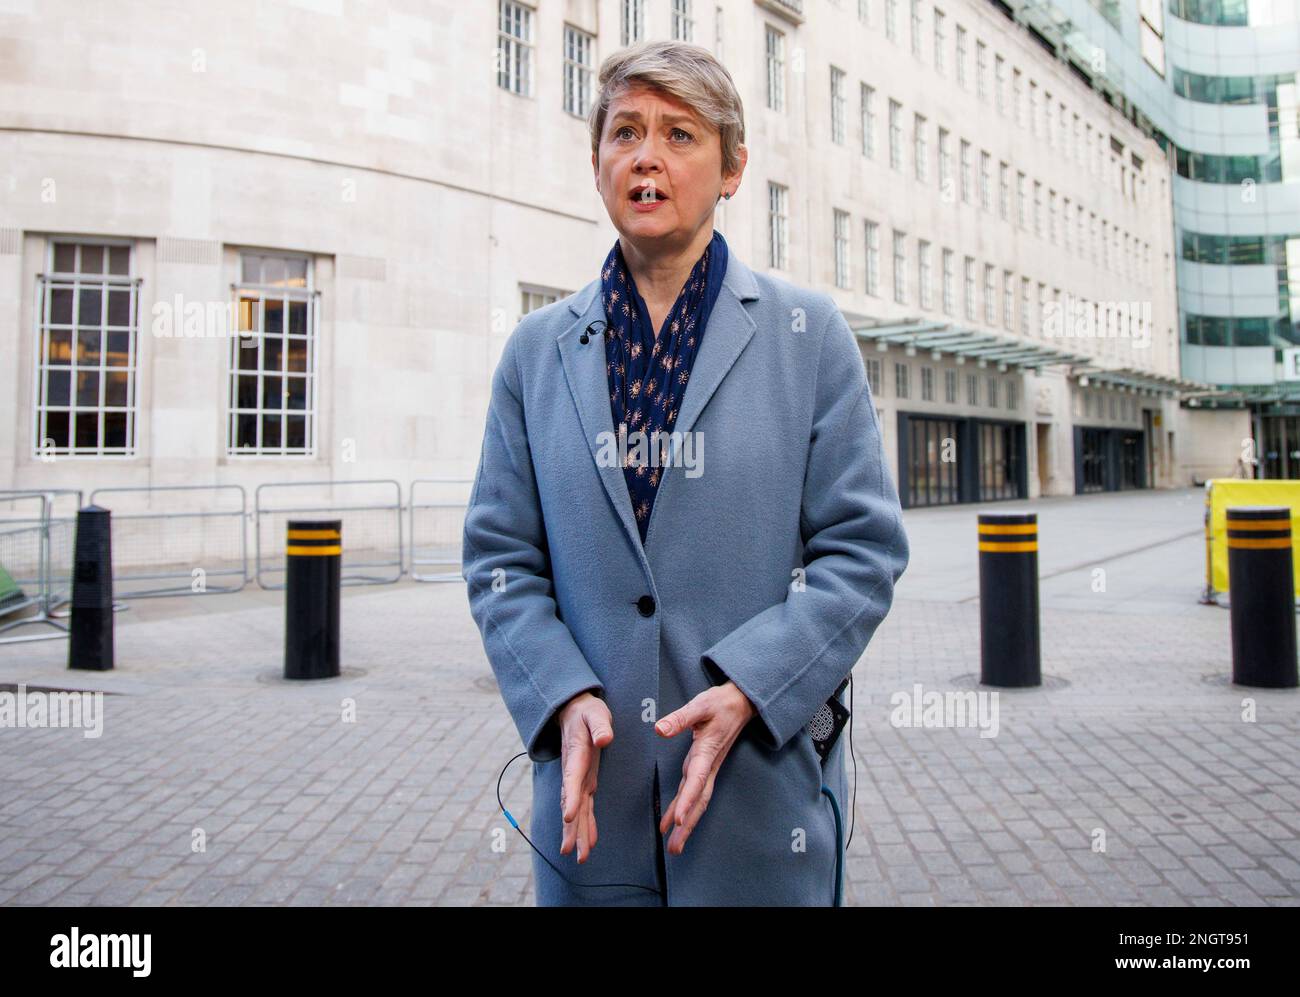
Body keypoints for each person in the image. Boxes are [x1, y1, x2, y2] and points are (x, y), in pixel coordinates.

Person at [462, 39, 909, 906]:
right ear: (596, 164)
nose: (647, 157)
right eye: (625, 131)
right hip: (592, 817)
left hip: (755, 802)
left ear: (733, 166)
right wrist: (561, 697)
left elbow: (864, 551)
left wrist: (752, 685)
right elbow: (499, 558)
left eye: (679, 134)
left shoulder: (808, 336)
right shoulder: (536, 352)